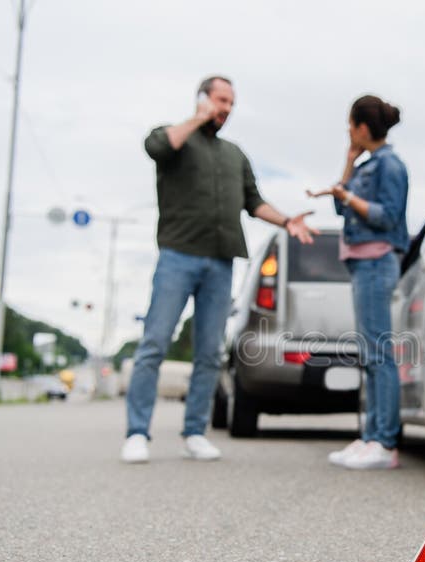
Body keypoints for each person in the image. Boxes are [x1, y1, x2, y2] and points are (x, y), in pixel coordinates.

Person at [121, 75, 318, 464]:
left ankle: (194, 432)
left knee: (210, 352)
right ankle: (137, 433)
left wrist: (286, 222)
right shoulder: (173, 137)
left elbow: (253, 201)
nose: (226, 108)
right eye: (221, 100)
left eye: (231, 103)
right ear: (202, 99)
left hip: (221, 262)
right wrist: (198, 117)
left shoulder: (234, 154)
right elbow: (156, 147)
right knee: (154, 344)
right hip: (177, 257)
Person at [307, 95, 409, 470]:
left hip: (377, 262)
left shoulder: (391, 166)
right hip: (362, 265)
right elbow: (341, 207)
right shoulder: (367, 165)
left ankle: (384, 443)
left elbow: (388, 215)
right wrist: (349, 164)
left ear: (363, 127)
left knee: (380, 354)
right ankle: (370, 437)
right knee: (370, 354)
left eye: (351, 125)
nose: (349, 132)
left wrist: (347, 195)